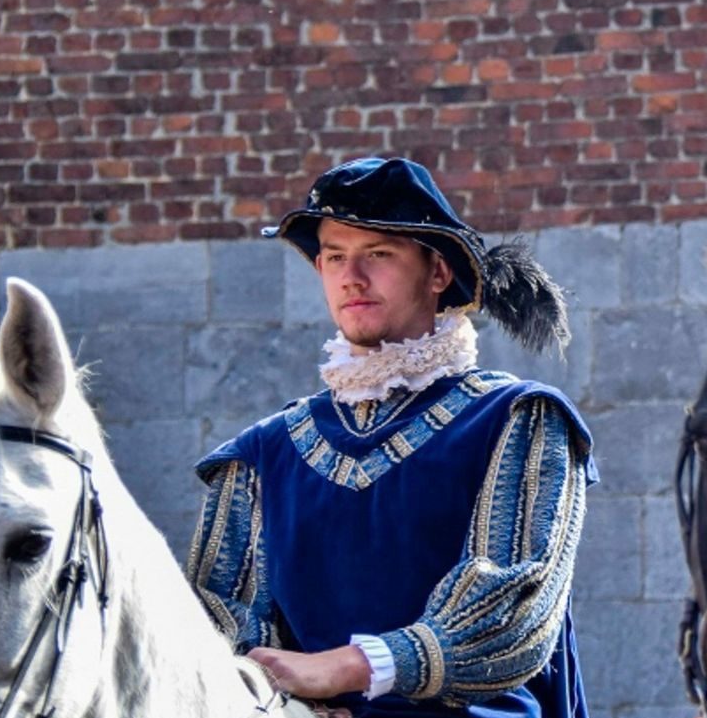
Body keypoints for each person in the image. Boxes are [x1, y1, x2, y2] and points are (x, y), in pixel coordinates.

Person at [185, 157, 595, 718]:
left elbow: (514, 617)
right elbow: (216, 636)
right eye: (333, 257)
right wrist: (284, 705)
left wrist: (346, 667)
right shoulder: (262, 454)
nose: (351, 277)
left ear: (437, 273)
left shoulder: (516, 420)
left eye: (377, 253)